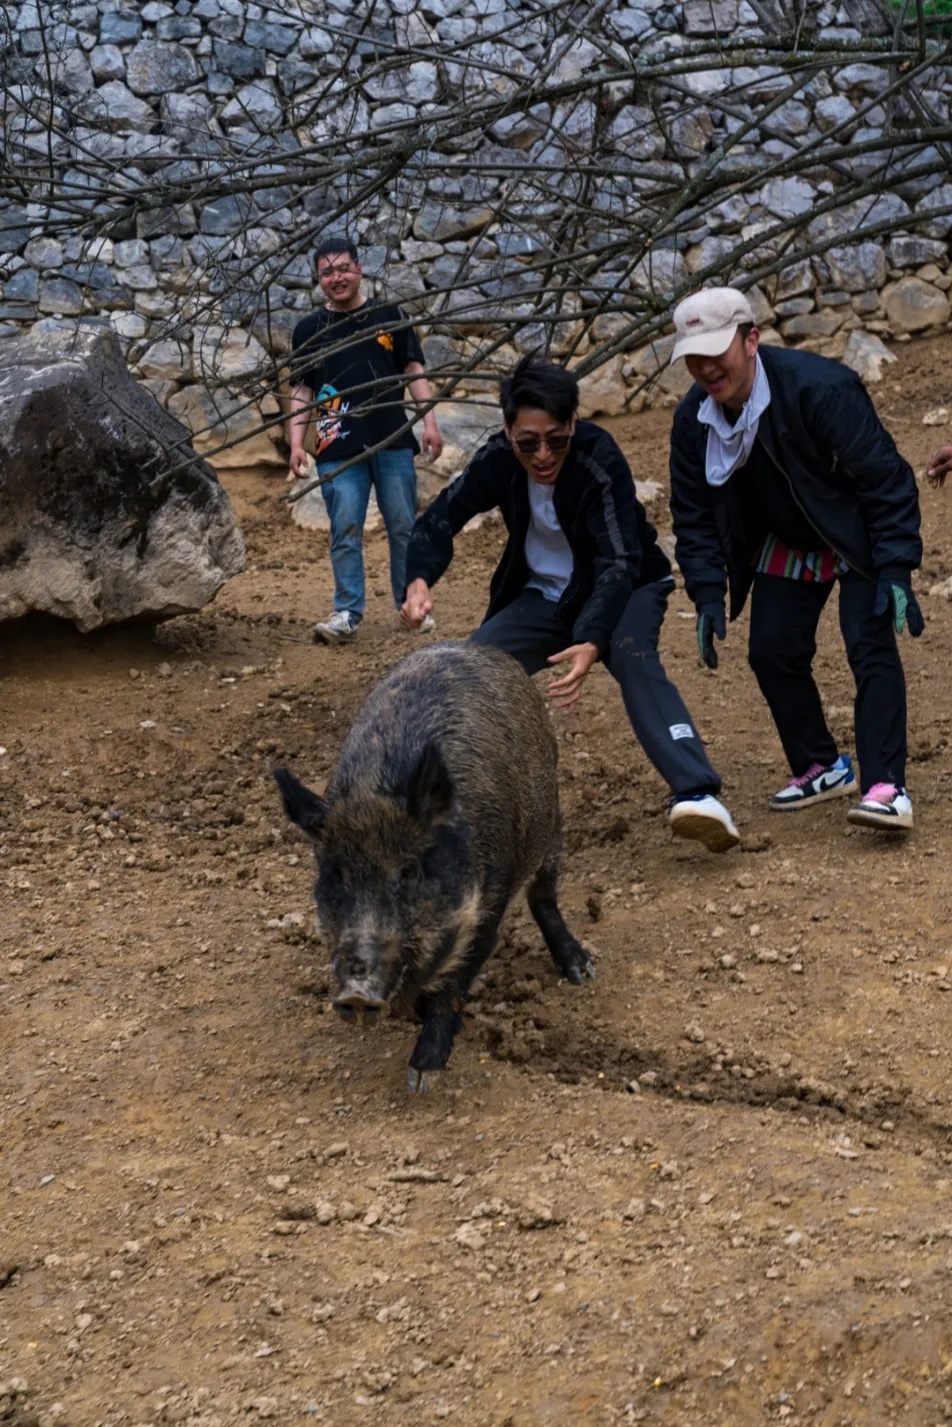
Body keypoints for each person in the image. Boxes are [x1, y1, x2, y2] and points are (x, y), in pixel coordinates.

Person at [400, 352, 741, 854]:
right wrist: (418, 580)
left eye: (556, 439)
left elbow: (619, 558)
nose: (542, 455)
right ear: (508, 430)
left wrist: (590, 638)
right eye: (528, 442)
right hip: (543, 595)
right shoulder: (498, 458)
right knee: (471, 671)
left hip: (626, 585)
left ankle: (697, 792)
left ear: (574, 424)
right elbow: (444, 515)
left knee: (632, 655)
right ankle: (442, 806)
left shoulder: (599, 458)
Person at [668, 286, 923, 831]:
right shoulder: (694, 421)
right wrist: (708, 593)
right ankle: (822, 765)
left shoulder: (820, 389)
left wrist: (896, 566)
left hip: (855, 532)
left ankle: (887, 786)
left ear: (752, 339)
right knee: (772, 652)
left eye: (717, 350)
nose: (707, 368)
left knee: (868, 640)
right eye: (694, 357)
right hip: (786, 538)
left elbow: (886, 478)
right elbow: (692, 514)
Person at [288, 235, 443, 644]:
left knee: (403, 524)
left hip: (391, 438)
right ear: (318, 279)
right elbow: (302, 391)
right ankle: (346, 612)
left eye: (342, 268)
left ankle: (410, 605)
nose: (336, 277)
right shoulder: (308, 330)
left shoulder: (389, 315)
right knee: (345, 527)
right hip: (336, 445)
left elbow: (413, 369)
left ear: (359, 268)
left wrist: (429, 422)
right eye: (327, 272)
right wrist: (294, 443)